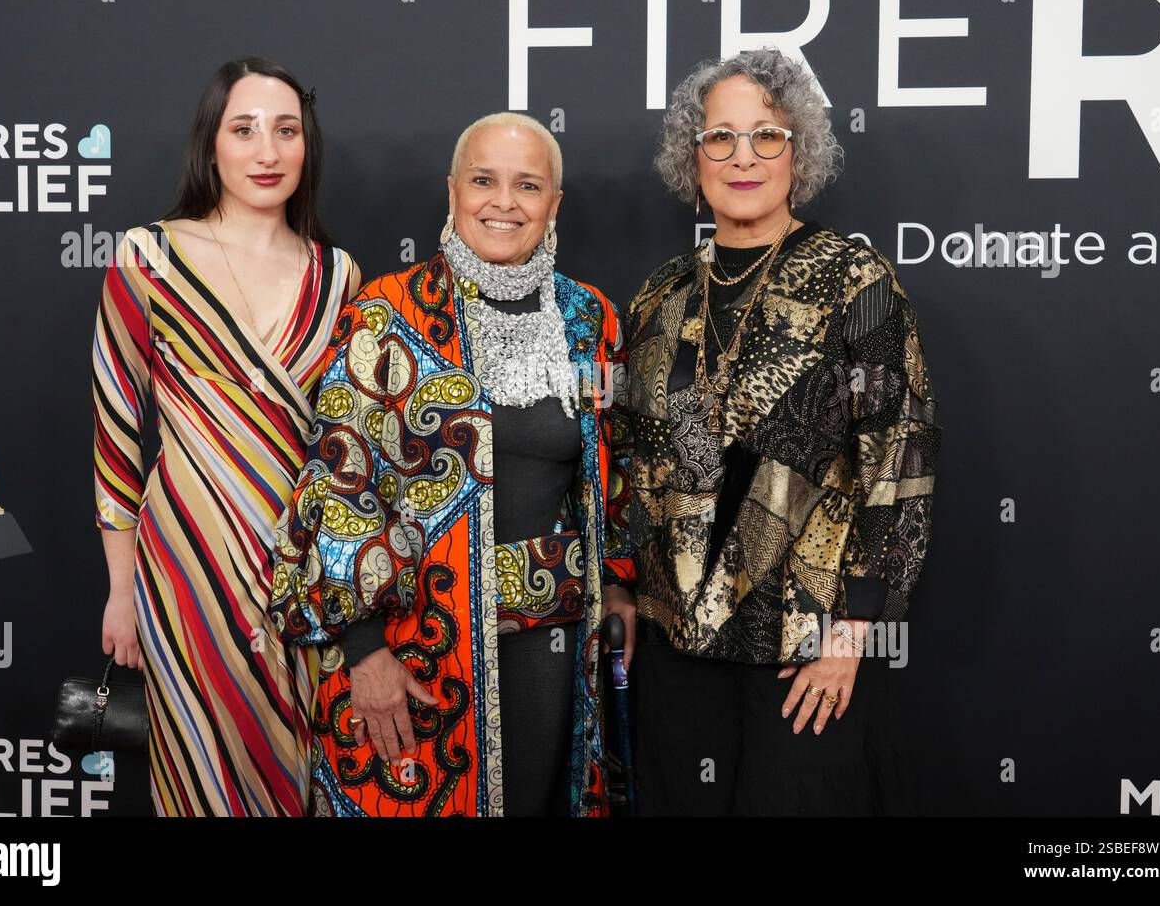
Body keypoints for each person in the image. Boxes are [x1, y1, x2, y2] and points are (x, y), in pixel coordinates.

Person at [269, 112, 635, 816]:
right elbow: (342, 482)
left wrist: (617, 586)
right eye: (483, 181)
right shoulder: (386, 314)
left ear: (554, 203)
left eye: (527, 185)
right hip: (413, 650)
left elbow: (607, 474)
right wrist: (364, 648)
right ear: (452, 192)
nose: (504, 202)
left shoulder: (591, 319)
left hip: (550, 647)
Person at [621, 48, 942, 815]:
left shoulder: (852, 279)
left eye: (767, 136)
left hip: (804, 648)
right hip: (675, 648)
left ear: (799, 151)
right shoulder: (660, 294)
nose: (743, 158)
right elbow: (635, 459)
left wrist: (853, 631)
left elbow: (901, 455)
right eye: (719, 137)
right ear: (690, 157)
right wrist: (620, 588)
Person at [93, 57, 361, 815]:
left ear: (307, 146)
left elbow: (347, 444)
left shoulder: (338, 275)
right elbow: (116, 436)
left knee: (287, 772)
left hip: (298, 570)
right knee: (197, 776)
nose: (267, 152)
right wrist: (120, 591)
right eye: (244, 131)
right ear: (211, 144)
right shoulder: (148, 257)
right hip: (186, 562)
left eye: (286, 131)